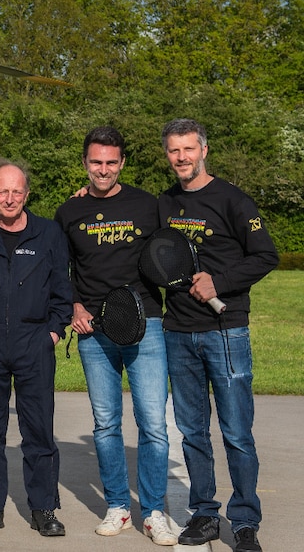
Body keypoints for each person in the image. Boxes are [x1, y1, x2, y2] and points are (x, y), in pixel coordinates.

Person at [158, 118, 278, 552]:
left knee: (236, 433)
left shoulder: (233, 200)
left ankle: (244, 521)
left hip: (226, 332)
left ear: (204, 150)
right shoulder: (164, 202)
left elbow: (266, 255)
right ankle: (205, 515)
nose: (182, 157)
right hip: (178, 333)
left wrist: (220, 281)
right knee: (192, 431)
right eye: (174, 150)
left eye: (189, 149)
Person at [53, 127, 176, 545]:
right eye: (95, 162)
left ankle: (155, 511)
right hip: (94, 330)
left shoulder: (147, 204)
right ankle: (119, 507)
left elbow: (169, 255)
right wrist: (73, 307)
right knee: (106, 424)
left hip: (147, 326)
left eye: (110, 162)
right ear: (85, 163)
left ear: (122, 163)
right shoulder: (69, 212)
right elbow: (58, 270)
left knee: (154, 424)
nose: (102, 169)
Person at [0, 159, 72, 537]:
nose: (9, 198)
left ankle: (44, 508)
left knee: (39, 430)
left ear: (26, 194)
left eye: (16, 191)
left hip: (34, 340)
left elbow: (63, 288)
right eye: (2, 191)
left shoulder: (48, 234)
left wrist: (54, 332)